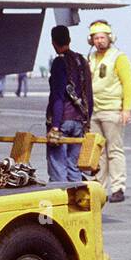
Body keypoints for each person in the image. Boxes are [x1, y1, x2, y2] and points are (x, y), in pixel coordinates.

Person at [86, 20, 131, 203]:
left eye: (102, 37)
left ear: (110, 38)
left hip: (112, 109)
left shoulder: (118, 57)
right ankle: (99, 187)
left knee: (114, 149)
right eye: (96, 38)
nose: (99, 41)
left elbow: (127, 83)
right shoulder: (91, 58)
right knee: (99, 152)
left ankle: (118, 187)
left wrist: (126, 109)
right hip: (94, 111)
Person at [45, 25, 92, 183]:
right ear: (69, 40)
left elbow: (58, 96)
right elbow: (88, 94)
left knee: (58, 166)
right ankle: (76, 199)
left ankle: (61, 200)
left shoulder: (59, 63)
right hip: (79, 121)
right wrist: (87, 120)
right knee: (74, 166)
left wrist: (56, 126)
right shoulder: (81, 60)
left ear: (53, 42)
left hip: (62, 121)